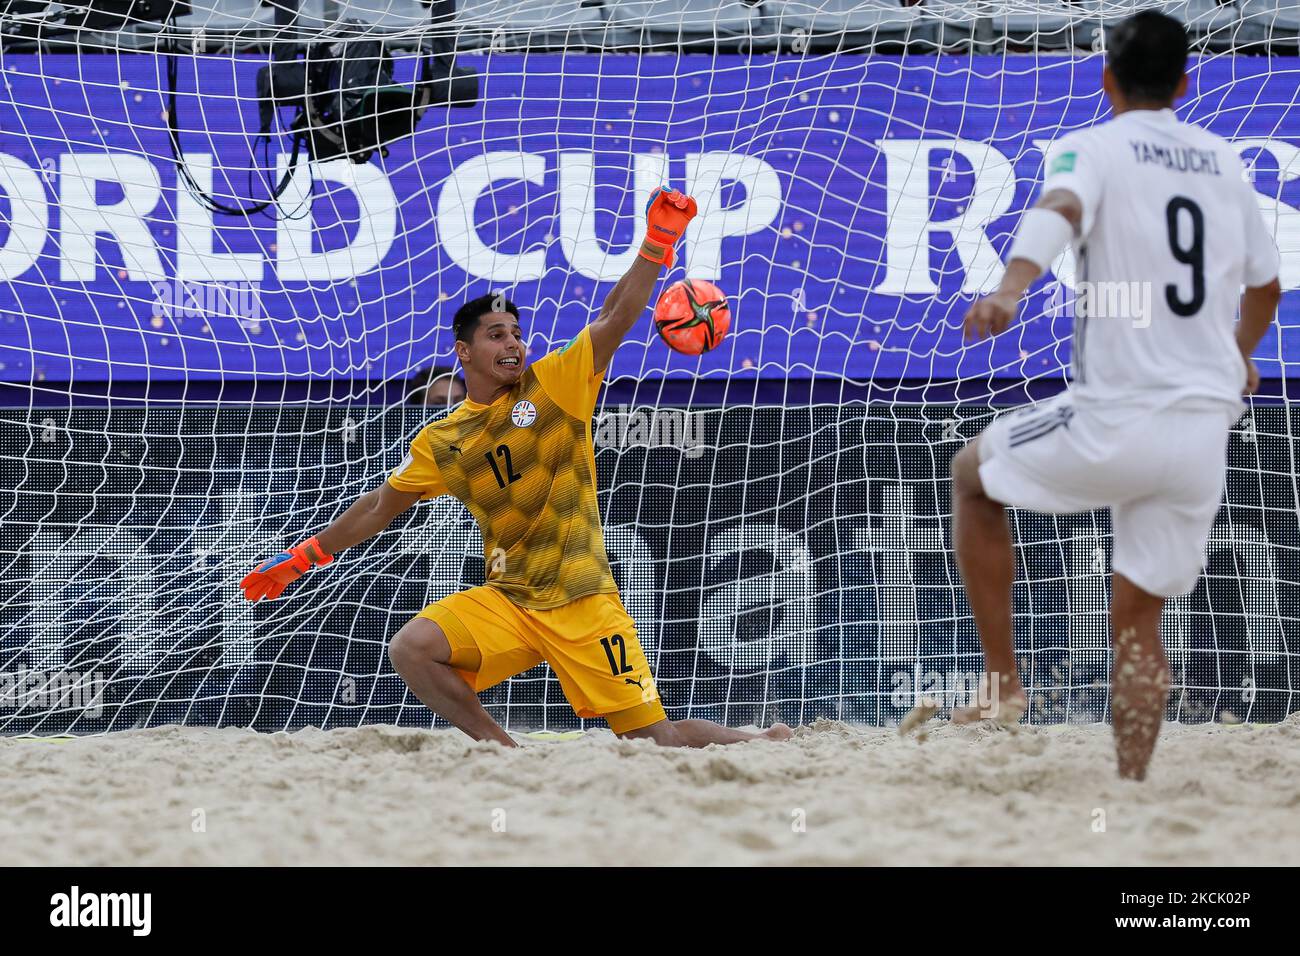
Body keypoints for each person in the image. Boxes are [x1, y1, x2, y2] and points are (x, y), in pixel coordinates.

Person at [241, 187, 793, 748]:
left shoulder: (553, 385)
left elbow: (615, 316)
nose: (513, 343)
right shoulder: (444, 439)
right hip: (511, 601)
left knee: (657, 742)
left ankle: (763, 742)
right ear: (464, 351)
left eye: (516, 333)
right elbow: (381, 506)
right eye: (496, 334)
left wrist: (657, 243)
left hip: (582, 601)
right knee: (412, 649)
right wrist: (303, 557)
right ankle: (500, 749)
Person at [946, 11, 1281, 779]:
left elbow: (1058, 209)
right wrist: (1235, 358)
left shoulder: (1092, 147)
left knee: (972, 475)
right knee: (1138, 623)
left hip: (1119, 414)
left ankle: (1002, 686)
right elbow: (1266, 288)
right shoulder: (1224, 162)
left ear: (1107, 81)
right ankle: (1130, 788)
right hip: (1202, 431)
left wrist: (1009, 289)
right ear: (1186, 84)